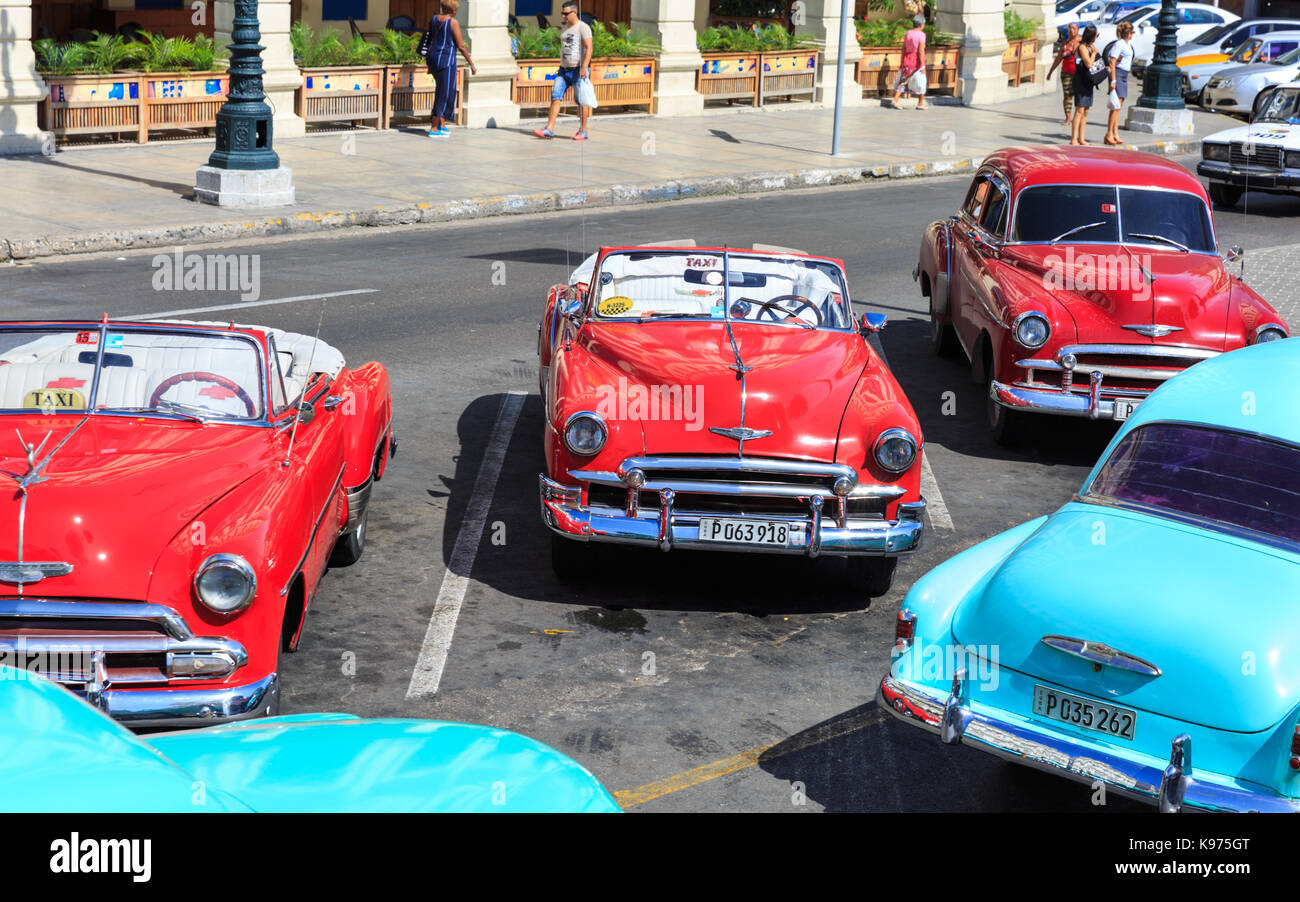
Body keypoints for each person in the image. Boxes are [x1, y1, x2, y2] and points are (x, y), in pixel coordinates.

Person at [534, 0, 593, 141]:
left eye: (566, 14)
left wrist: (584, 66)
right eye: (562, 13)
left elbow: (589, 47)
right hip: (563, 70)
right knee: (555, 96)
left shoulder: (583, 27)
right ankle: (549, 129)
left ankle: (583, 131)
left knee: (581, 101)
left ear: (574, 12)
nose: (563, 16)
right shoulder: (565, 28)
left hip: (578, 70)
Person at [423, 0, 476, 139]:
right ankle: (434, 127)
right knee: (444, 93)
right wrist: (471, 64)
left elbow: (430, 40)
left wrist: (429, 65)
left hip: (434, 59)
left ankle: (442, 124)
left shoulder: (434, 19)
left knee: (444, 90)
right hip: (445, 61)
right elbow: (461, 46)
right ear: (453, 10)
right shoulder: (453, 23)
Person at [1104, 22, 1134, 146]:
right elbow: (1112, 61)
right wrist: (1113, 80)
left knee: (1119, 105)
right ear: (1128, 33)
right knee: (1115, 106)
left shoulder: (1128, 44)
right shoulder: (1119, 44)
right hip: (1118, 74)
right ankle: (1109, 133)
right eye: (1132, 32)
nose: (1133, 34)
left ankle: (1115, 132)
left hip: (1124, 75)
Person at [891, 15, 929, 110]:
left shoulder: (908, 33)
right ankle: (920, 103)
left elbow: (903, 48)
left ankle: (895, 99)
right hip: (916, 60)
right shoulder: (921, 35)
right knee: (922, 81)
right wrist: (923, 66)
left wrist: (902, 60)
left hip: (907, 58)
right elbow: (920, 50)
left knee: (904, 79)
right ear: (921, 24)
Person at [1070, 25, 1100, 146]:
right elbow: (1088, 64)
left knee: (1086, 111)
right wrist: (1094, 54)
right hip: (1080, 81)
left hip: (1088, 81)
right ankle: (1073, 139)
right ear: (1091, 35)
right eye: (1096, 35)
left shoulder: (1090, 47)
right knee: (1079, 110)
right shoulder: (1082, 47)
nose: (1097, 37)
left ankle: (1081, 138)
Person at [1046, 23, 1080, 127]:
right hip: (1066, 73)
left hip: (1079, 74)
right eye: (1069, 28)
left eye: (1074, 28)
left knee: (1079, 97)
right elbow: (1058, 59)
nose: (1071, 30)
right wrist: (1050, 72)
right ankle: (1068, 118)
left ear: (1078, 30)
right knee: (1067, 95)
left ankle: (1077, 117)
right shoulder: (1065, 44)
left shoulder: (1082, 42)